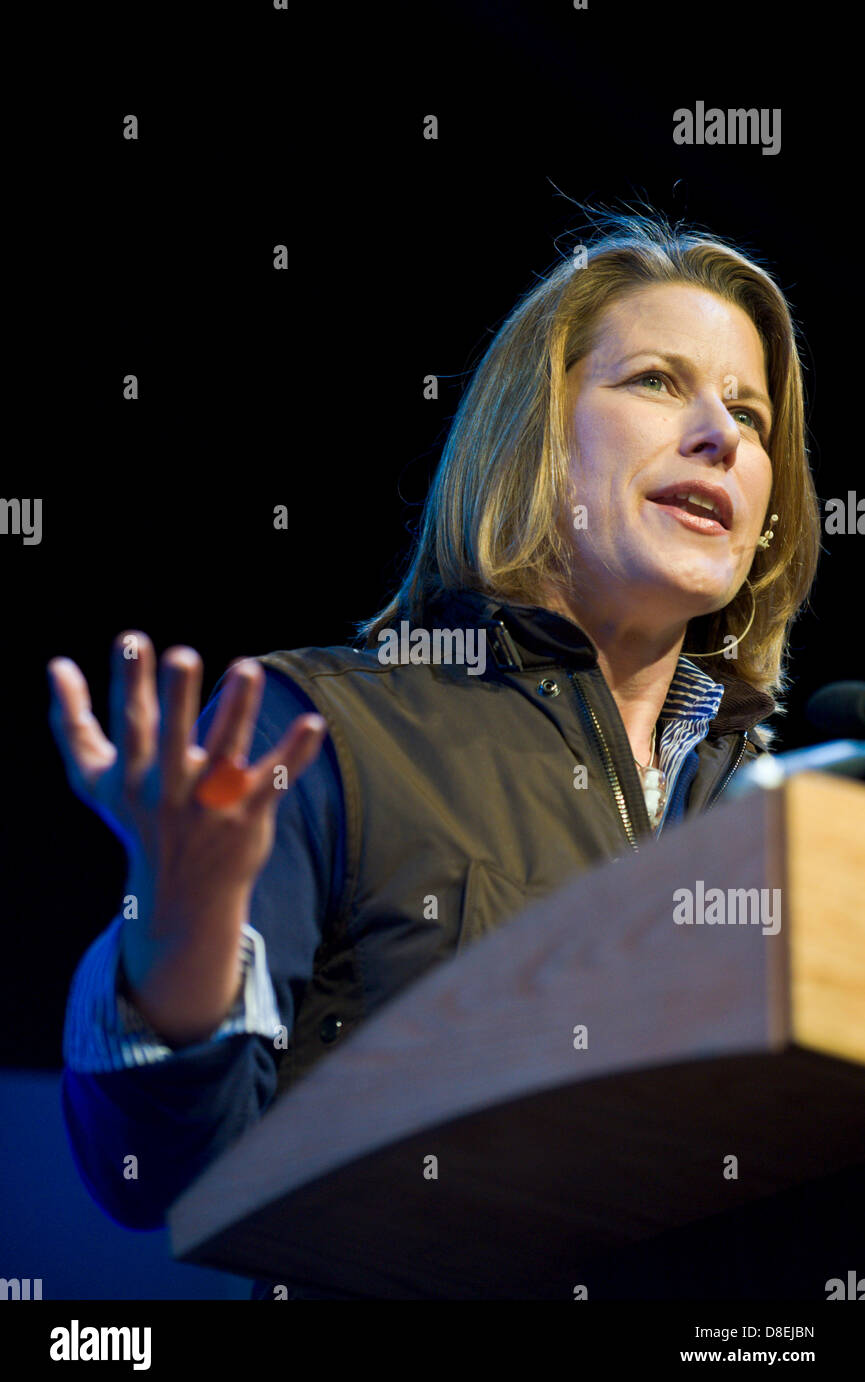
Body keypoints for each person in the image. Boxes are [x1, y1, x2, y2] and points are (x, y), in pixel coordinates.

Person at [49, 210, 821, 1299]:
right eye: (655, 381)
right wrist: (175, 935)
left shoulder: (803, 827)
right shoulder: (315, 727)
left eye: (748, 411)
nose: (722, 435)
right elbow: (156, 1179)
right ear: (535, 438)